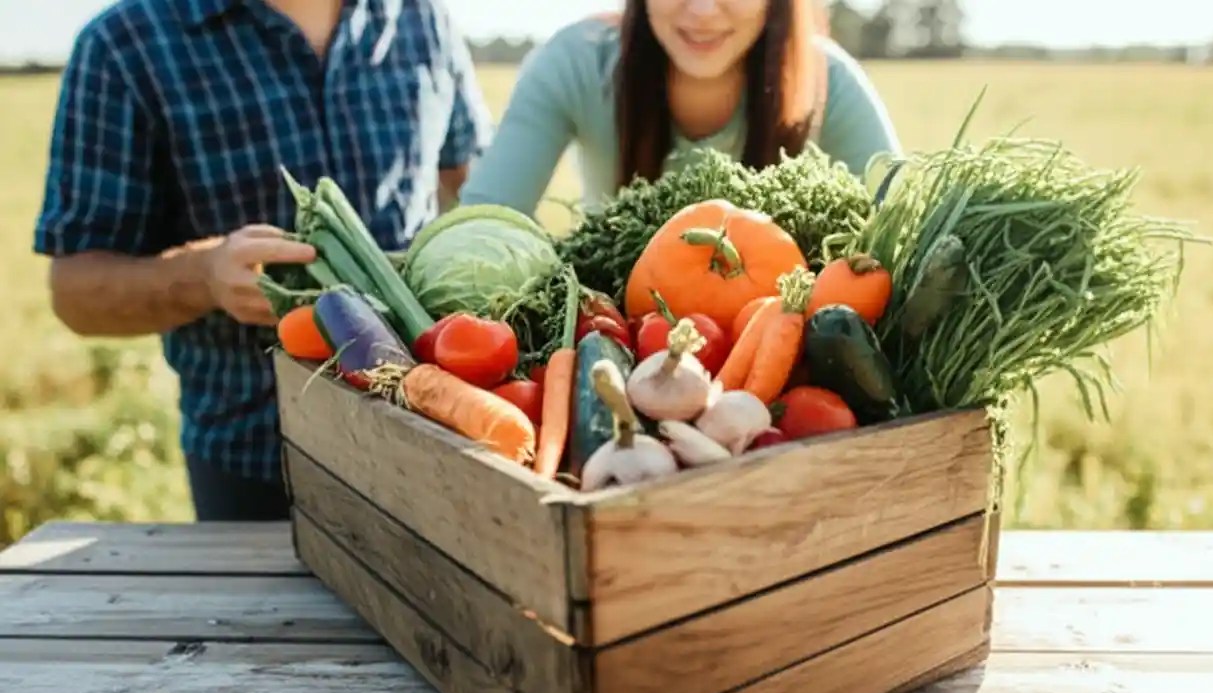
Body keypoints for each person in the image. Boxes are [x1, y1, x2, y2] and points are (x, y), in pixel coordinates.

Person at [34, 0, 490, 522]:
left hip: (431, 435)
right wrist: (205, 277)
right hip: (256, 463)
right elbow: (74, 292)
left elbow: (472, 187)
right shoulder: (126, 44)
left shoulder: (421, 18)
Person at [457, 0, 900, 217]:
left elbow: (907, 240)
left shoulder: (829, 82)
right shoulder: (576, 64)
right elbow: (485, 221)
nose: (704, 11)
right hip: (619, 350)